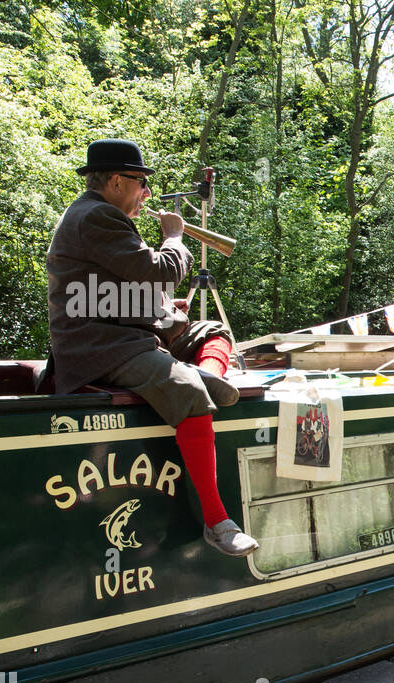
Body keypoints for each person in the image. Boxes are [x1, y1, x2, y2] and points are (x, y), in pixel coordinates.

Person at [46, 138, 258, 556]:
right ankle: (217, 522)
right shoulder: (97, 217)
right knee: (186, 391)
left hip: (127, 331)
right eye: (140, 181)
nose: (145, 191)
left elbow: (110, 286)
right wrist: (175, 237)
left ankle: (209, 376)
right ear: (114, 180)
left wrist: (163, 308)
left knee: (213, 331)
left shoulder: (94, 215)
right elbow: (158, 272)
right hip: (101, 347)